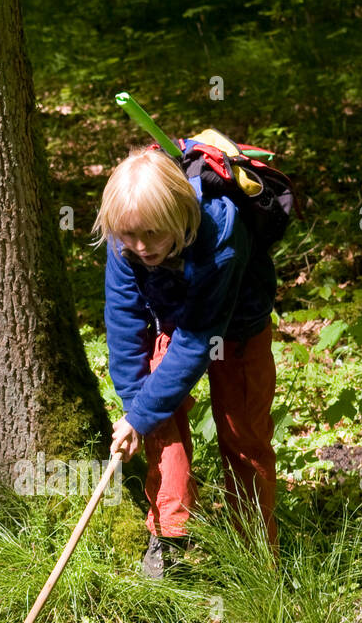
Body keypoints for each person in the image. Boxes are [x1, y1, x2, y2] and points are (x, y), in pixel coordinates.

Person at [93, 144, 279, 577]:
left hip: (236, 328)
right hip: (174, 316)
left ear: (179, 216)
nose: (141, 247)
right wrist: (133, 409)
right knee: (155, 415)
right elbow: (123, 323)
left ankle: (253, 552)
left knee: (244, 435)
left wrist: (140, 414)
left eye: (153, 235)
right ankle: (170, 536)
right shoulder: (126, 238)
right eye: (130, 237)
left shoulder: (221, 234)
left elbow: (199, 340)